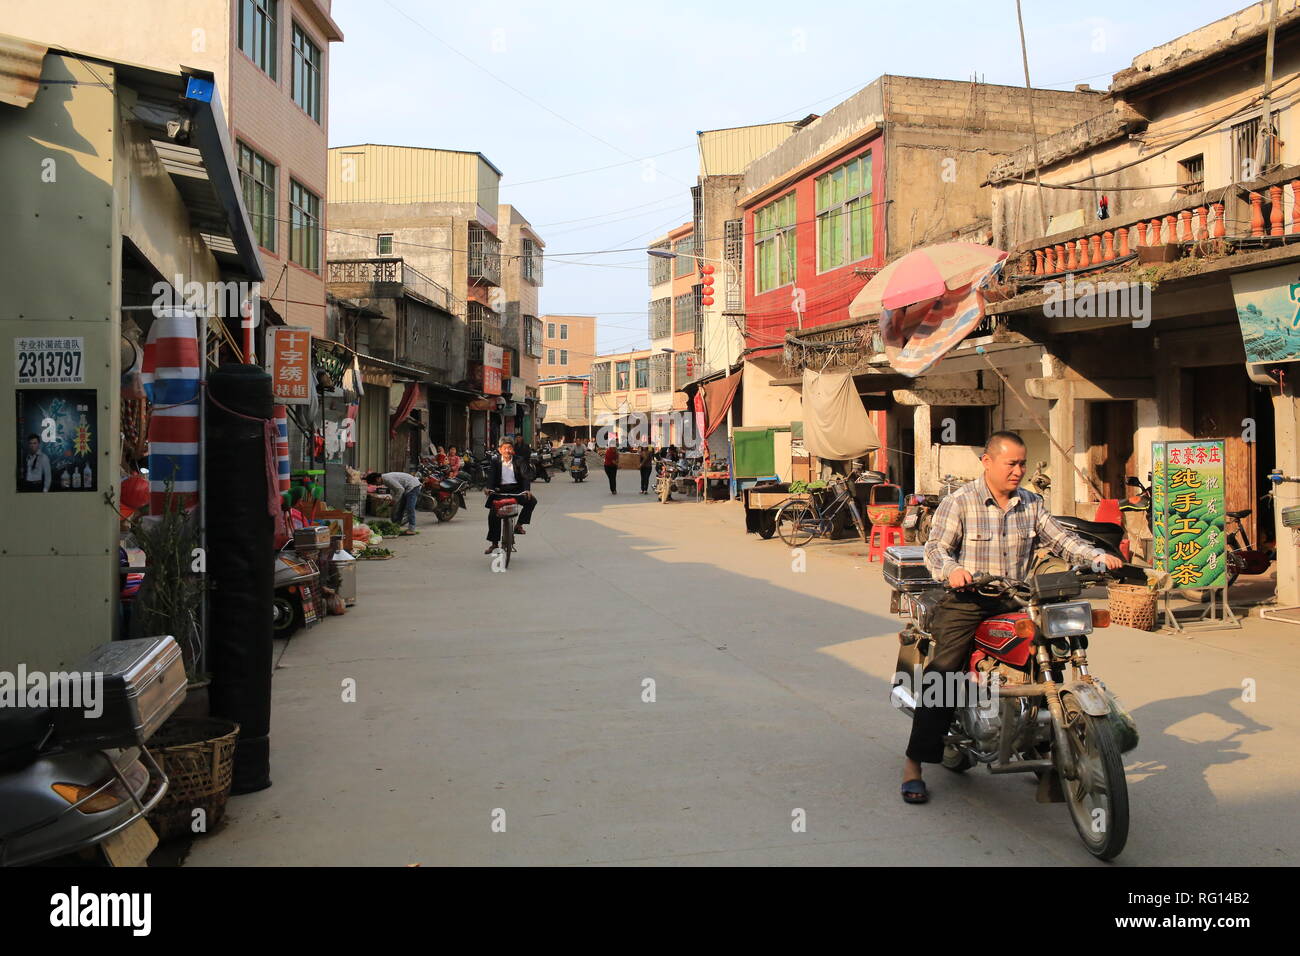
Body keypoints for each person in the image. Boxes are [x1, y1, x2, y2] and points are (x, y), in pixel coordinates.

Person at [901, 430, 1124, 806]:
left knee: (1052, 653)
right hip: (968, 599)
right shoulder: (961, 502)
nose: (1018, 471)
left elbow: (1061, 540)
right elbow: (936, 549)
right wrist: (953, 570)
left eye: (1022, 463)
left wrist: (1095, 556)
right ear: (987, 462)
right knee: (944, 673)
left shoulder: (1032, 503)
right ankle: (914, 764)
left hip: (1016, 598)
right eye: (1011, 463)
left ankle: (1040, 739)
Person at [484, 437, 536, 553]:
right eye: (505, 448)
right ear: (500, 450)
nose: (507, 450)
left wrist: (527, 490)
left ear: (513, 449)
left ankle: (519, 525)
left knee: (532, 501)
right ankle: (494, 544)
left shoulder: (520, 460)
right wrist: (489, 489)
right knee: (493, 514)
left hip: (517, 490)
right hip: (500, 491)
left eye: (510, 448)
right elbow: (491, 477)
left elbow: (525, 476)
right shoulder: (495, 461)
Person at [365, 471, 422, 535]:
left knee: (410, 508)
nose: (376, 485)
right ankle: (396, 525)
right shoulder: (385, 480)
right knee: (400, 507)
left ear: (377, 478)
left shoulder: (387, 479)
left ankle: (412, 529)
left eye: (375, 483)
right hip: (406, 488)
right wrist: (393, 500)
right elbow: (394, 490)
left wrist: (394, 500)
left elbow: (400, 489)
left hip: (413, 486)